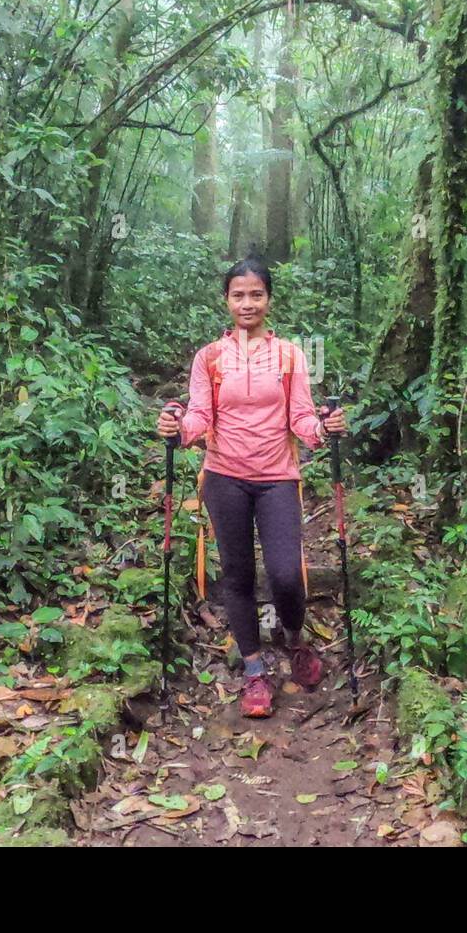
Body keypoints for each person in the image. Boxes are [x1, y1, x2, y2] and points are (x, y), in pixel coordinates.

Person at [155, 257, 347, 718]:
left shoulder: (288, 355)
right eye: (238, 295)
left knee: (285, 573)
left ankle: (294, 638)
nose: (247, 303)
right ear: (226, 301)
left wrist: (322, 428)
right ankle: (255, 671)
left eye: (256, 294)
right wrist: (179, 428)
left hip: (278, 476)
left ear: (268, 299)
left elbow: (300, 414)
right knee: (237, 575)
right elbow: (201, 414)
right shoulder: (210, 357)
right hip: (224, 476)